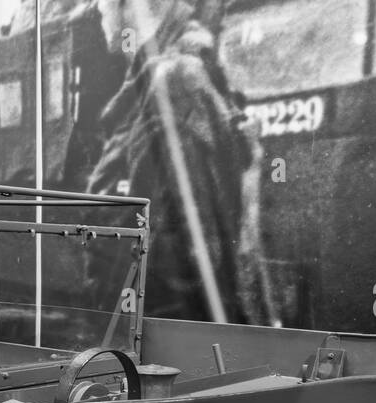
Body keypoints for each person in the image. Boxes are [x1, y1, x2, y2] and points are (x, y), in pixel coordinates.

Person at [87, 0, 270, 324]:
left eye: (103, 7)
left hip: (159, 327)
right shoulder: (163, 75)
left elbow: (190, 248)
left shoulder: (173, 81)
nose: (99, 15)